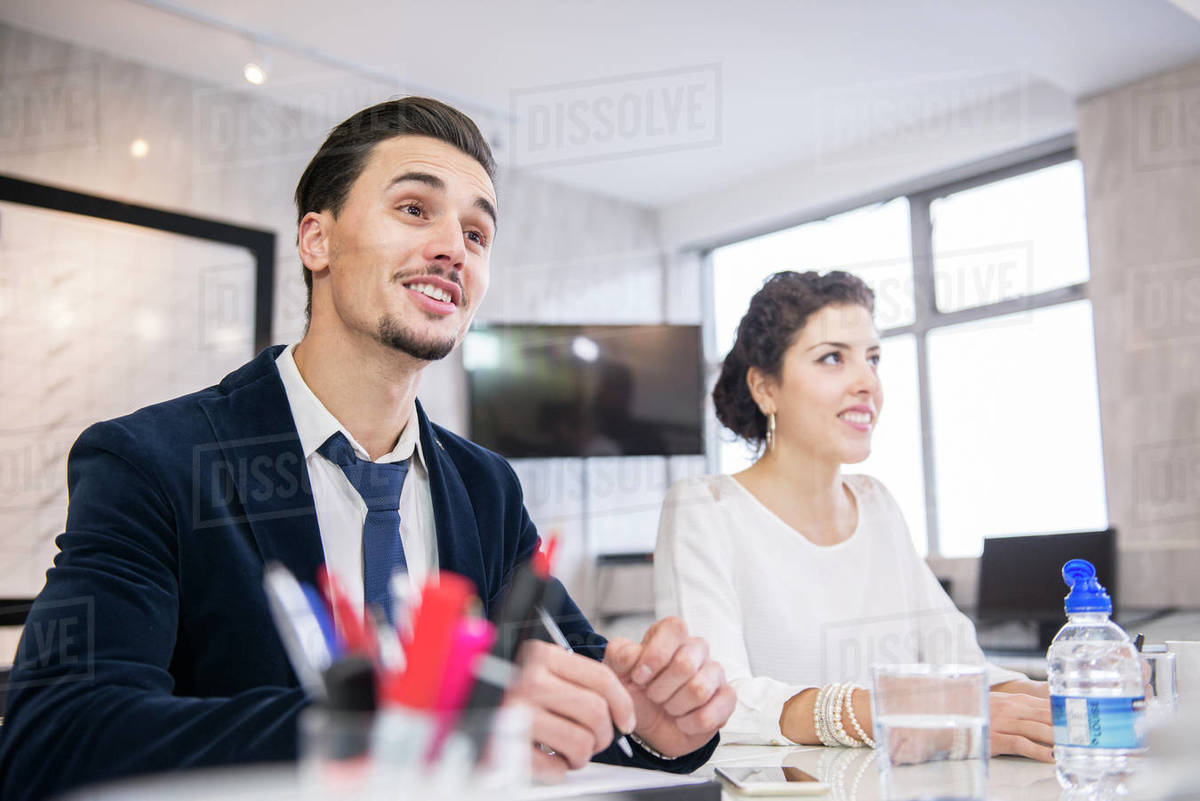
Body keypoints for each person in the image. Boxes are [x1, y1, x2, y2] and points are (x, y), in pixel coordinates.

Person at [0, 97, 734, 801]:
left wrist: (648, 721)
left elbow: (556, 701)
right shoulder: (151, 460)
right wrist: (397, 719)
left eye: (478, 235)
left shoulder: (486, 488)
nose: (454, 247)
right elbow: (56, 736)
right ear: (316, 239)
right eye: (414, 209)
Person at [654, 271, 1053, 761]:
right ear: (764, 387)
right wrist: (898, 712)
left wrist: (1056, 690)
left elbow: (960, 667)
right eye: (832, 358)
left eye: (873, 359)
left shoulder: (877, 503)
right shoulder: (705, 509)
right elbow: (714, 703)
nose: (867, 382)